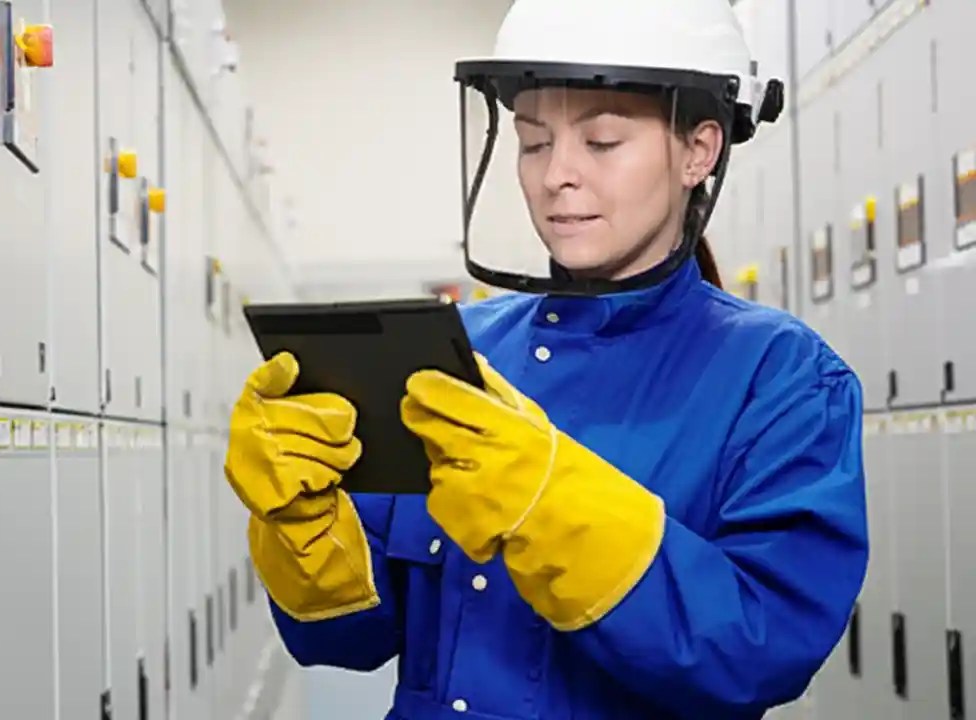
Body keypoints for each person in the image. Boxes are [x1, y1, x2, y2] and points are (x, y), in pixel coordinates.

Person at [222, 0, 869, 717]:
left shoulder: (782, 379)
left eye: (601, 142)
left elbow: (760, 651)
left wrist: (552, 505)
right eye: (534, 142)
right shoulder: (457, 356)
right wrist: (304, 525)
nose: (556, 174)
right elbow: (346, 643)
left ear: (700, 150)